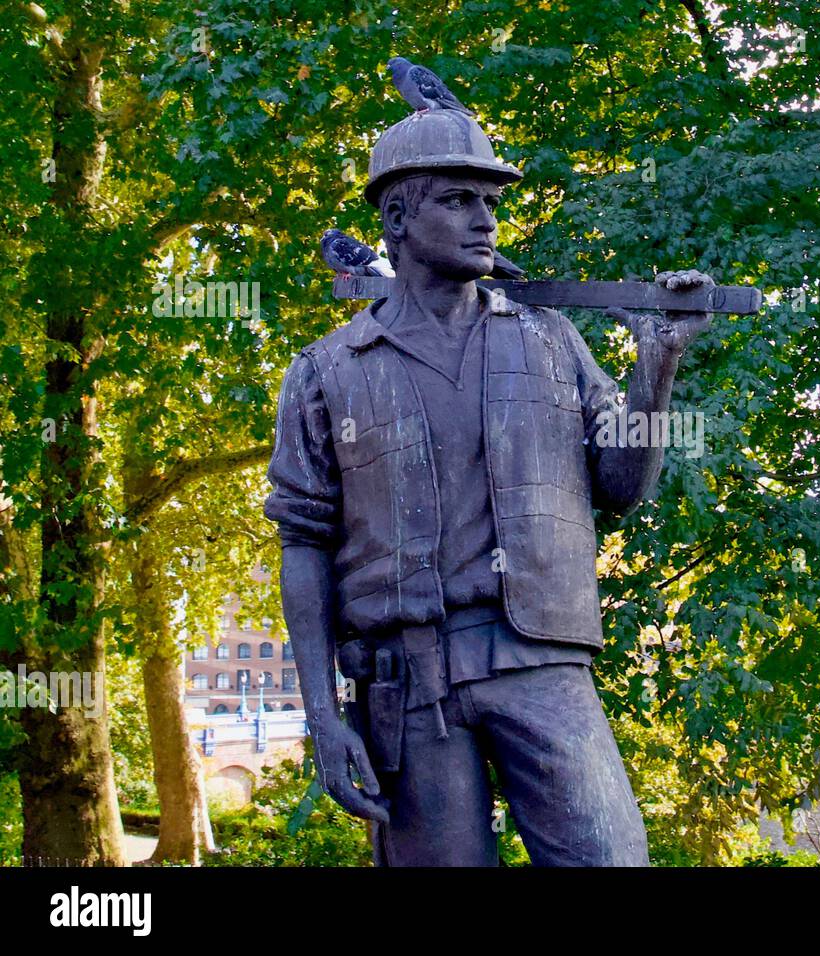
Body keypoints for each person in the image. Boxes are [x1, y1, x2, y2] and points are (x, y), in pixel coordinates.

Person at [264, 108, 713, 865]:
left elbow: (621, 486)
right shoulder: (326, 372)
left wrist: (656, 366)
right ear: (398, 217)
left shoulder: (548, 340)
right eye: (459, 200)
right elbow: (303, 545)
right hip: (407, 689)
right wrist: (322, 716)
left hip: (540, 665)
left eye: (492, 204)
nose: (486, 220)